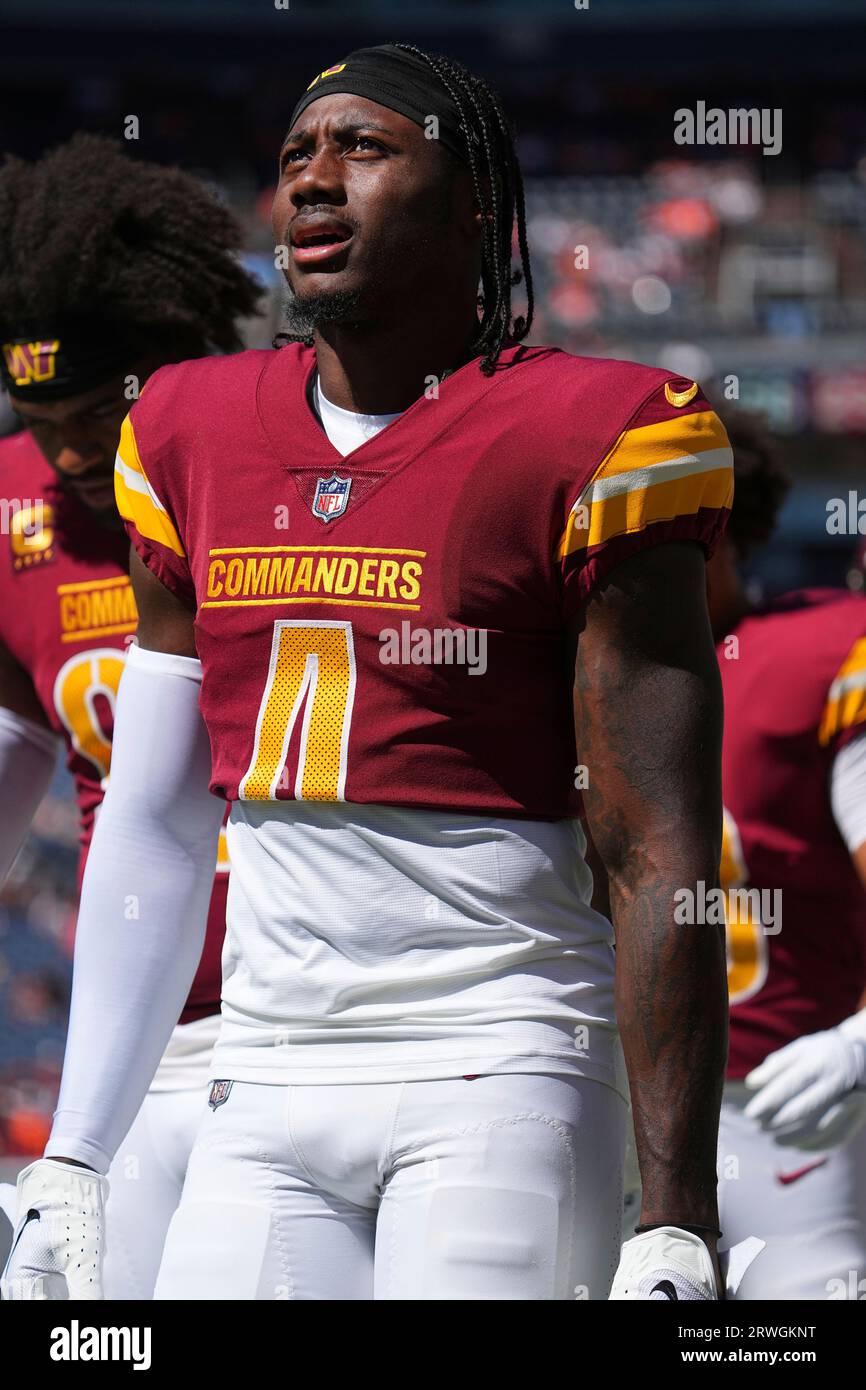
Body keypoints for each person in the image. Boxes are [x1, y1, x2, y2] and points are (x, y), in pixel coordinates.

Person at [3, 45, 733, 1302]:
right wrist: (77, 1151)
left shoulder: (600, 431)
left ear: (473, 210)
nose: (315, 182)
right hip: (263, 1066)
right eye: (296, 158)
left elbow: (655, 844)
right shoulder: (187, 427)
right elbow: (161, 815)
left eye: (365, 147)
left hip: (502, 1047)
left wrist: (673, 1211)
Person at [0, 134, 260, 1298]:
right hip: (137, 1055)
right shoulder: (16, 515)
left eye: (96, 410)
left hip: (338, 1026)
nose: (63, 449)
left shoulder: (282, 464)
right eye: (34, 411)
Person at [708, 412, 866, 1300]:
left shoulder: (821, 657)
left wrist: (857, 1049)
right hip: (602, 1107)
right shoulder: (552, 682)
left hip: (790, 1110)